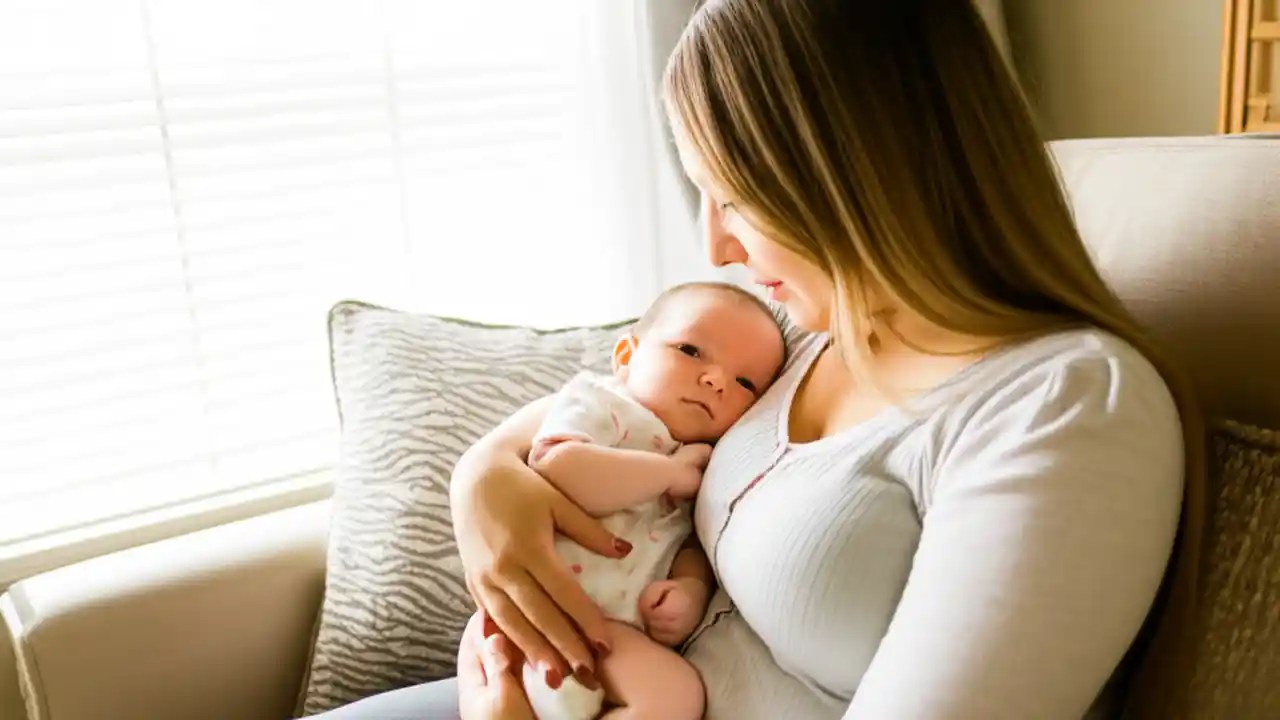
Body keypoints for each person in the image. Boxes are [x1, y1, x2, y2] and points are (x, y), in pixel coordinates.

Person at [313, 1, 1205, 719]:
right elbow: (604, 399)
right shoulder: (812, 332)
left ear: (854, 176)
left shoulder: (1063, 406)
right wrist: (482, 481)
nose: (717, 249)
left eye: (736, 199)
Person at [457, 281, 784, 720]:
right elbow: (561, 469)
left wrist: (689, 591)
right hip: (526, 616)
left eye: (746, 382)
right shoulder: (604, 403)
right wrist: (668, 474)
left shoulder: (710, 459)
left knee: (676, 696)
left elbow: (693, 546)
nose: (717, 380)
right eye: (690, 351)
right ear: (626, 356)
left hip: (610, 634)